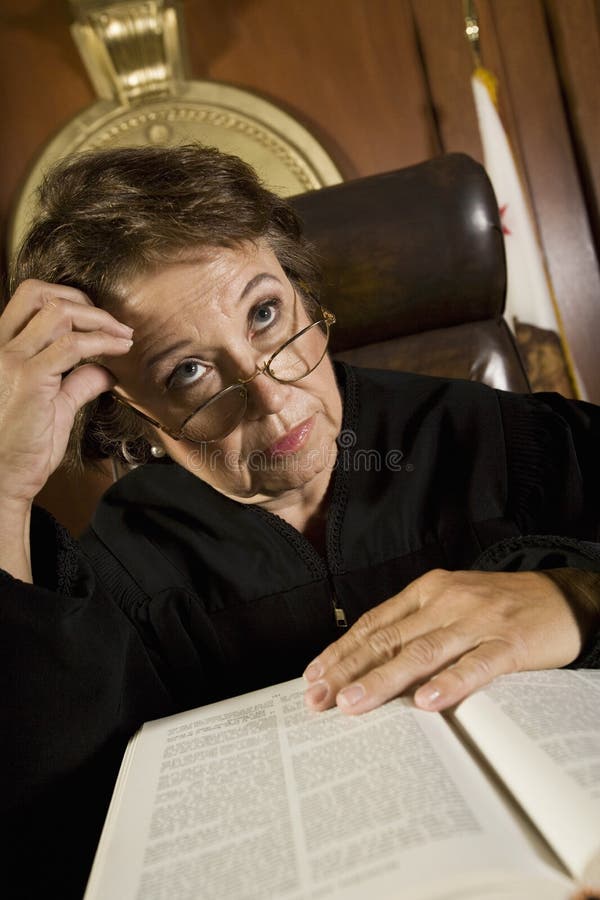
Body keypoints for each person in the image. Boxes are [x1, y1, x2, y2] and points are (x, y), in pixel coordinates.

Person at [1, 144, 599, 899]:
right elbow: (46, 836)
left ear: (300, 286)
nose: (276, 398)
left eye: (264, 313)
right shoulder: (124, 578)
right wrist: (3, 491)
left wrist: (580, 598)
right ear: (131, 416)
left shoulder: (505, 443)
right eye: (189, 371)